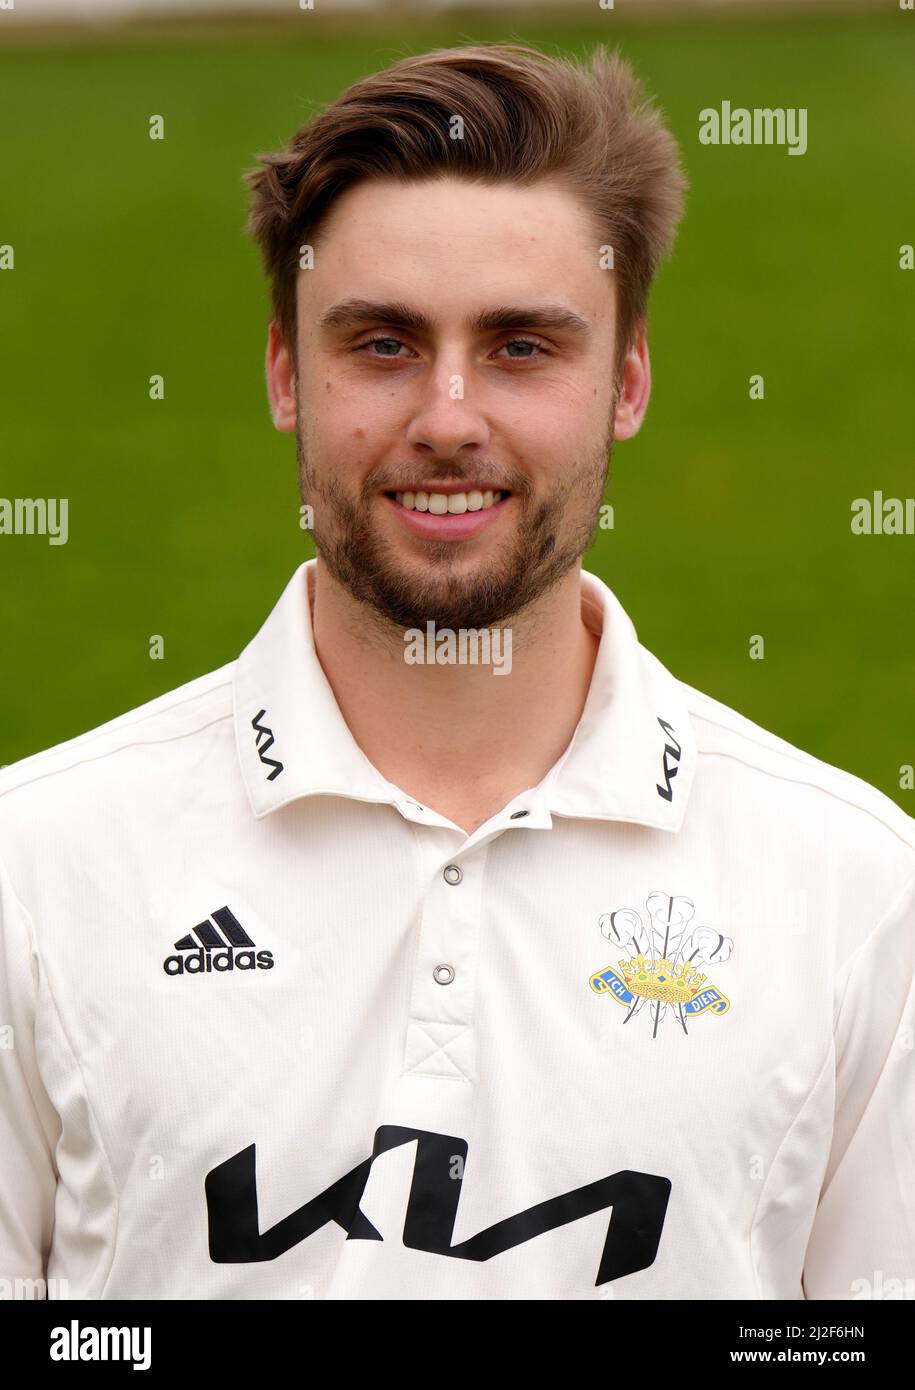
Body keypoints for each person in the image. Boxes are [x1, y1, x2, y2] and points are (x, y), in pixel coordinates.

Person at [1, 42, 912, 1302]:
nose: (446, 416)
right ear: (285, 375)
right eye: (381, 344)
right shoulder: (34, 874)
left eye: (522, 347)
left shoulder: (856, 892)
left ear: (628, 380)